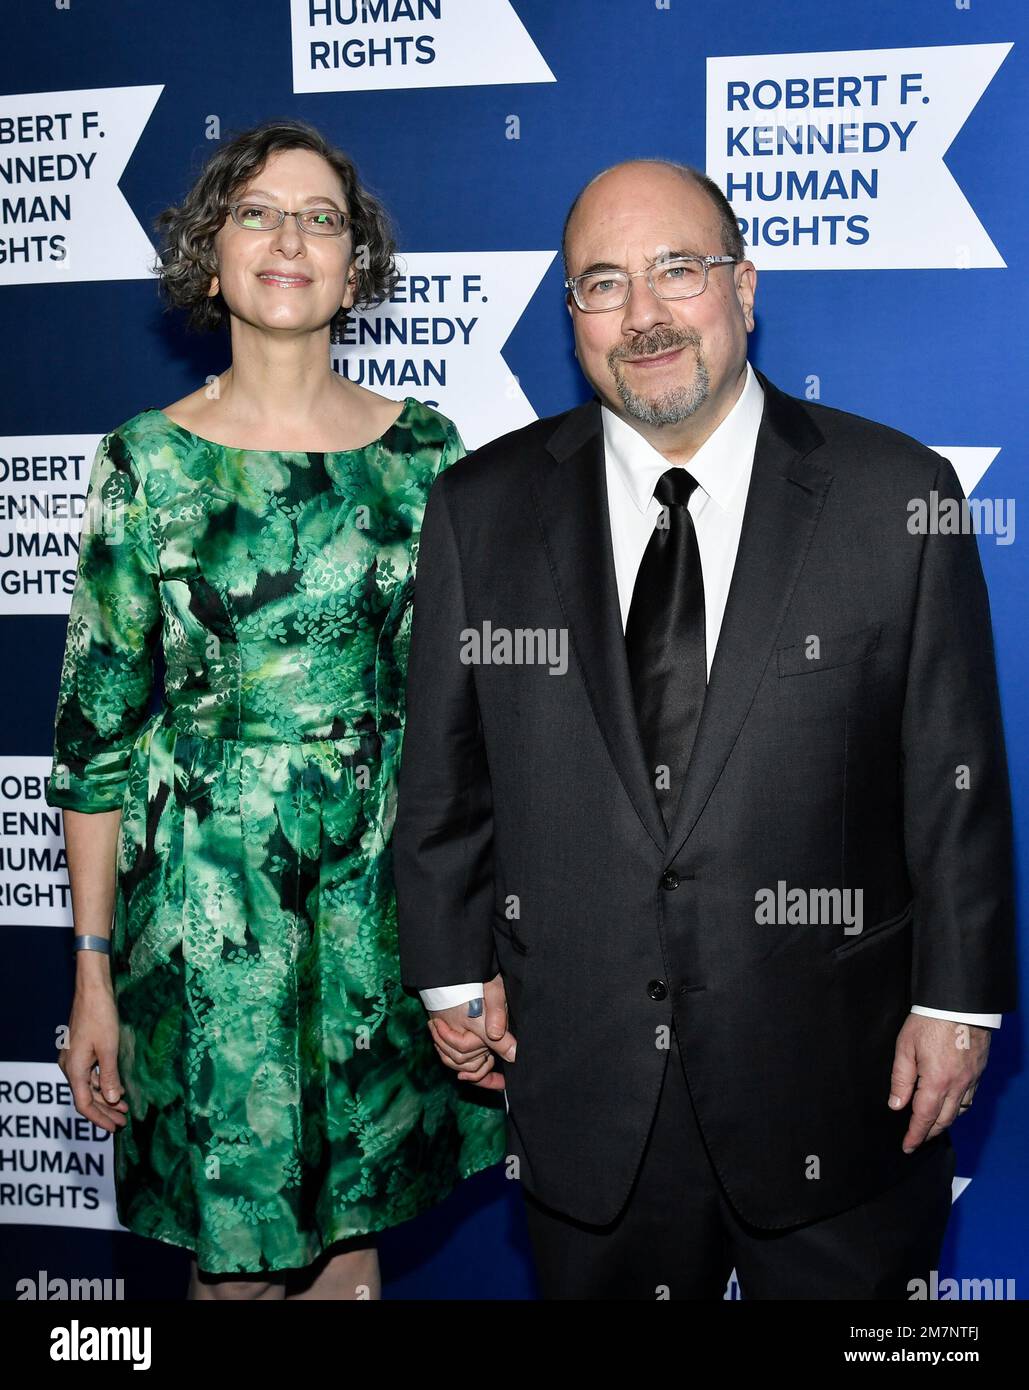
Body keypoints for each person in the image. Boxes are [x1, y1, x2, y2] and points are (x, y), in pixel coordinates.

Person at [392, 159, 1016, 1299]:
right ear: (571, 316)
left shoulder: (896, 494)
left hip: (842, 1083)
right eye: (602, 284)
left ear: (744, 285)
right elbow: (443, 773)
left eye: (678, 270)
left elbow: (953, 779)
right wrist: (446, 970)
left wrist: (956, 1000)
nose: (644, 316)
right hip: (583, 1090)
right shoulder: (480, 509)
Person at [44, 118, 505, 1301]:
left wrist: (476, 953)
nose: (290, 237)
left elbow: (462, 728)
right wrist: (91, 974)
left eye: (321, 218)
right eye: (257, 212)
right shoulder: (144, 463)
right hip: (206, 925)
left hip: (379, 916)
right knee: (237, 1273)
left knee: (354, 1258)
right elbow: (95, 746)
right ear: (211, 257)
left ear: (358, 267)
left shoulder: (426, 455)